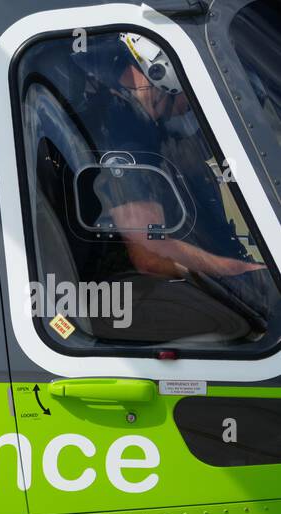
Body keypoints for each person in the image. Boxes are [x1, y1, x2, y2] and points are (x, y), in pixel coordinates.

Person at [74, 34, 277, 343]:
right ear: (161, 77)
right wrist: (244, 271)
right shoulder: (121, 138)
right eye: (188, 93)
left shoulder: (152, 133)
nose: (188, 108)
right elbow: (152, 253)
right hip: (140, 296)